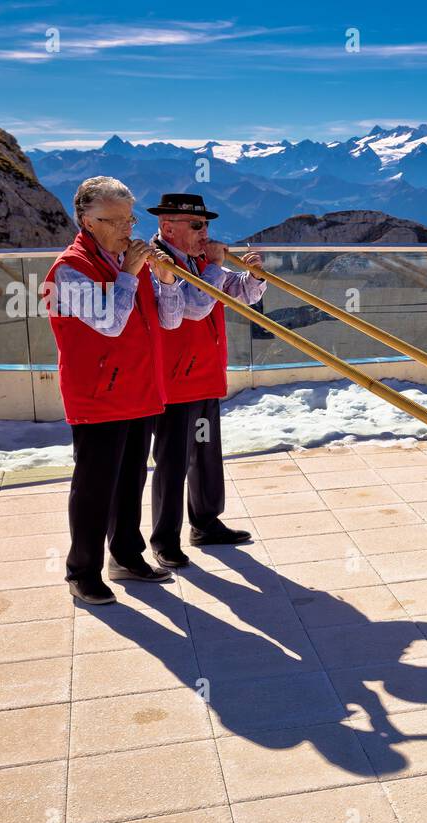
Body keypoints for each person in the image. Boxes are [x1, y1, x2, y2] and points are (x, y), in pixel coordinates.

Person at [46, 176, 185, 605]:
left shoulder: (133, 261)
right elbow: (109, 322)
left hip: (140, 388)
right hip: (97, 394)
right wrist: (129, 275)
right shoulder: (69, 269)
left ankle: (126, 554)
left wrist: (164, 280)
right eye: (116, 220)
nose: (128, 228)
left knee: (130, 480)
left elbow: (171, 321)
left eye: (130, 218)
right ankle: (81, 570)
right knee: (94, 487)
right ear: (87, 220)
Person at [146, 193, 264, 568]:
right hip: (175, 379)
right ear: (168, 227)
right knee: (172, 461)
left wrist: (254, 276)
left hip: (204, 375)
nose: (204, 232)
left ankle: (206, 522)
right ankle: (164, 539)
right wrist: (214, 265)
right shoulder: (157, 264)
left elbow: (238, 294)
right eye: (196, 226)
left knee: (205, 454)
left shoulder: (198, 261)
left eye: (206, 225)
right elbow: (194, 309)